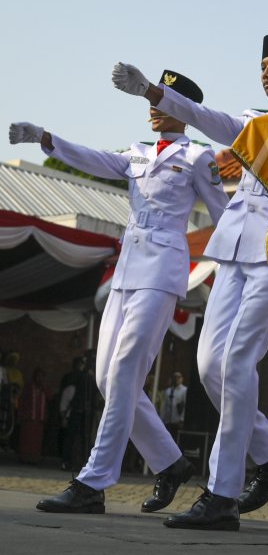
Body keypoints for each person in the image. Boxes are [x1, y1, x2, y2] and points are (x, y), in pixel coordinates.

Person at [112, 36, 268, 529]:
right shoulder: (252, 120)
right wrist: (152, 92)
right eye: (263, 64)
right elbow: (208, 119)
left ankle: (222, 494)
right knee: (209, 367)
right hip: (233, 248)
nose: (267, 72)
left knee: (238, 363)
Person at [11, 71, 227, 515]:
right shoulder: (138, 153)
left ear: (183, 110)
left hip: (162, 272)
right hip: (127, 271)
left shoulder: (198, 157)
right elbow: (93, 159)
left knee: (126, 372)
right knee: (107, 379)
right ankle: (170, 462)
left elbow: (224, 214)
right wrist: (45, 138)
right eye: (151, 101)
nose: (153, 108)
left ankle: (93, 481)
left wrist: (236, 269)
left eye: (162, 101)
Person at [18, 367, 48, 465]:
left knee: (36, 441)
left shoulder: (44, 390)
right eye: (38, 376)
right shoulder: (28, 388)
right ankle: (25, 458)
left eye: (42, 376)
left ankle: (34, 459)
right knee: (26, 439)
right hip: (28, 418)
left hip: (39, 420)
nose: (40, 378)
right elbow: (22, 401)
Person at [159, 372, 188, 440]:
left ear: (182, 379)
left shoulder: (185, 390)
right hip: (168, 420)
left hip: (177, 421)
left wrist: (182, 419)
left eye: (178, 377)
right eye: (175, 377)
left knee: (177, 438)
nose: (176, 379)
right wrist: (161, 418)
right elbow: (164, 405)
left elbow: (185, 405)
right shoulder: (168, 391)